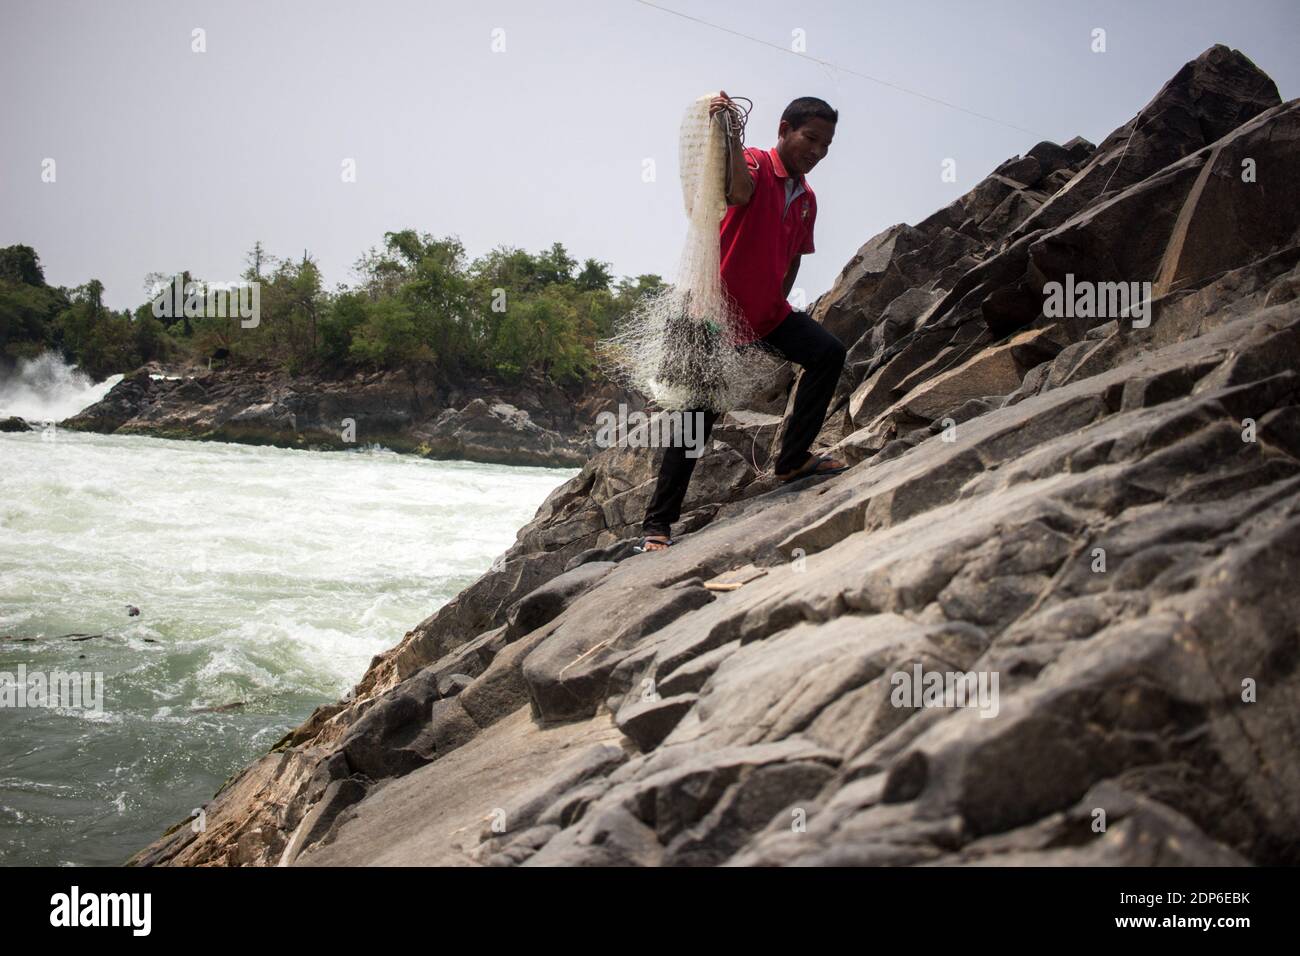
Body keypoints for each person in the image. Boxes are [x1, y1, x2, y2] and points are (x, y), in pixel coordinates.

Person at [639, 92, 848, 552]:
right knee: (695, 420)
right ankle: (657, 526)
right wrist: (730, 132)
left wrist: (778, 302)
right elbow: (736, 193)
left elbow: (793, 258)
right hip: (711, 315)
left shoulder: (808, 199)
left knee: (828, 353)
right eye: (810, 138)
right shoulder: (753, 163)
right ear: (784, 130)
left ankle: (793, 461)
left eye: (826, 144)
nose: (817, 151)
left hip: (767, 314)